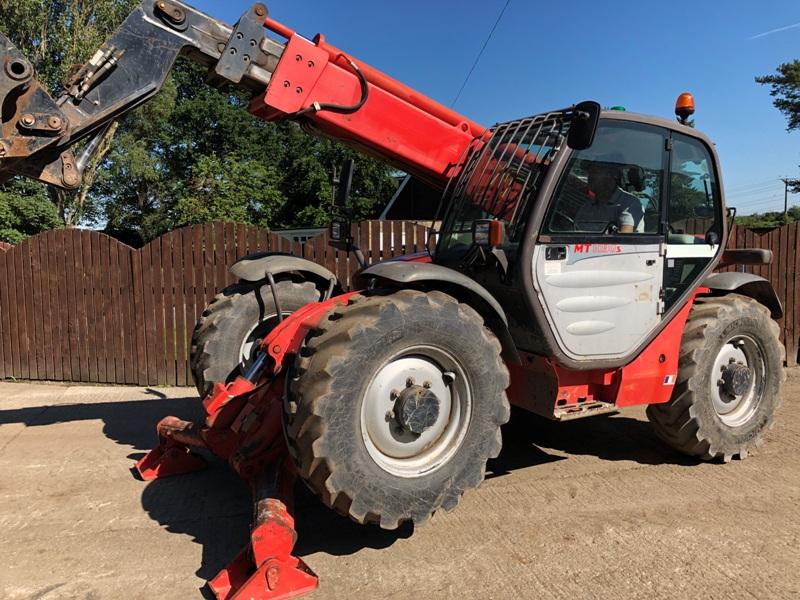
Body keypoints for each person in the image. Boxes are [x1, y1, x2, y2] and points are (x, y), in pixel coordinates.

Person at [574, 160, 644, 233]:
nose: (590, 177)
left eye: (595, 172)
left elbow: (624, 236)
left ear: (612, 175)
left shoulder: (629, 203)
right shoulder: (587, 207)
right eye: (589, 173)